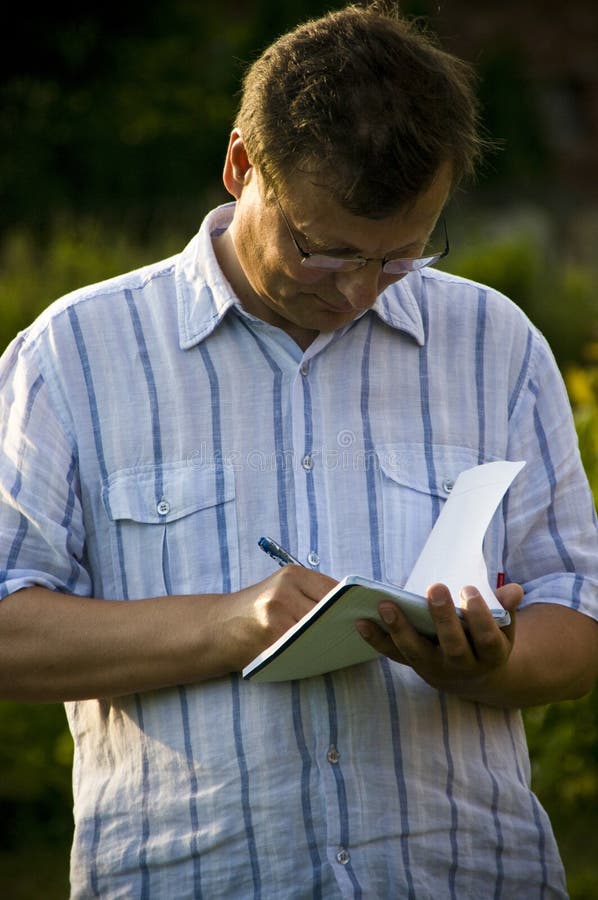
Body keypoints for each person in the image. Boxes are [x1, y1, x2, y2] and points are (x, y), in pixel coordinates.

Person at [1, 2, 597, 897]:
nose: (361, 291)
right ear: (243, 164)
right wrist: (234, 624)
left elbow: (577, 623)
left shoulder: (496, 342)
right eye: (326, 252)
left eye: (401, 256)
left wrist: (494, 662)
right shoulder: (73, 355)